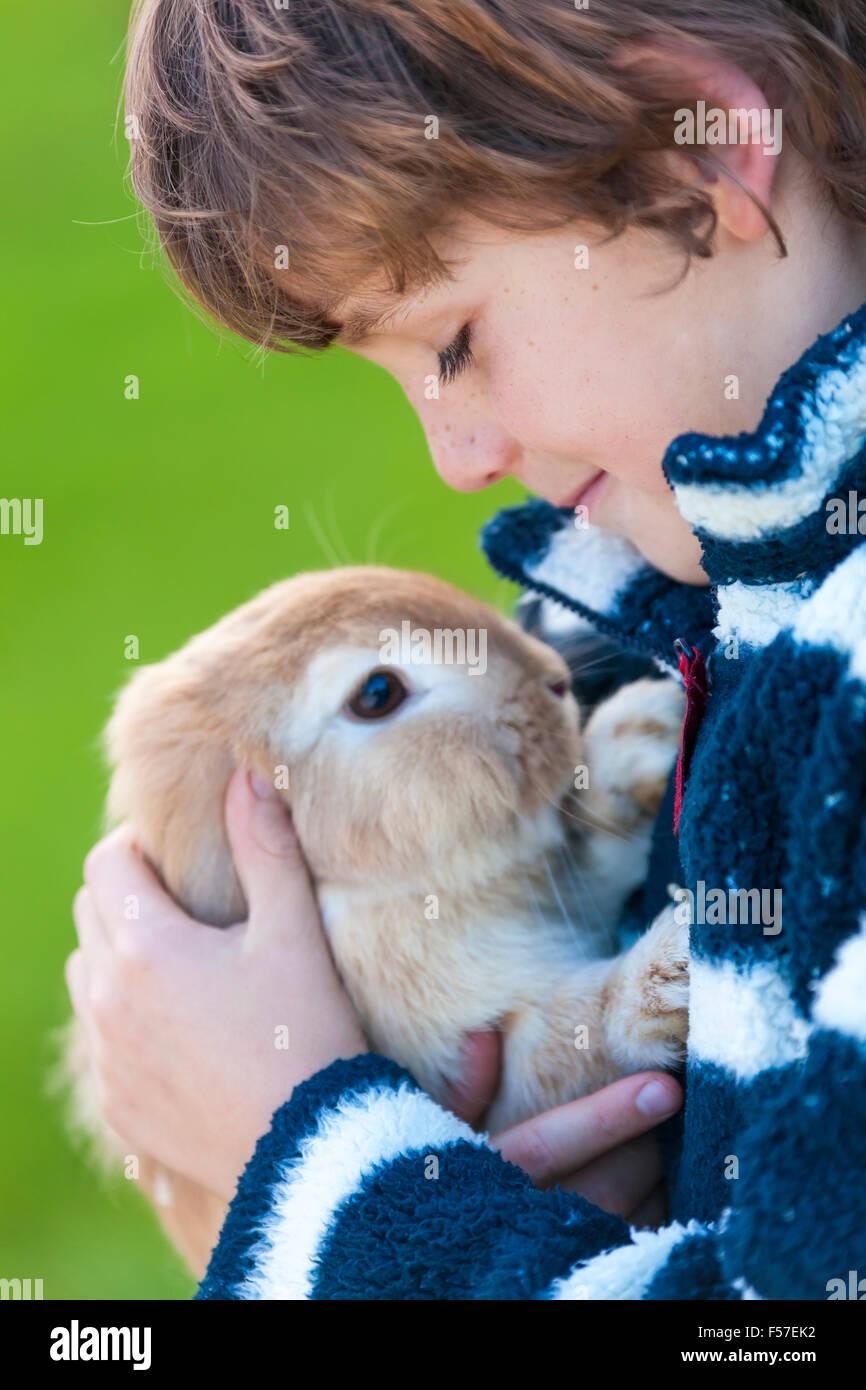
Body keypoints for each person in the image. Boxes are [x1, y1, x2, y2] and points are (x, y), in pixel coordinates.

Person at [66, 0, 866, 1298]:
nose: (456, 458)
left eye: (453, 341)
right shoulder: (627, 603)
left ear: (699, 153)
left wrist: (325, 1180)